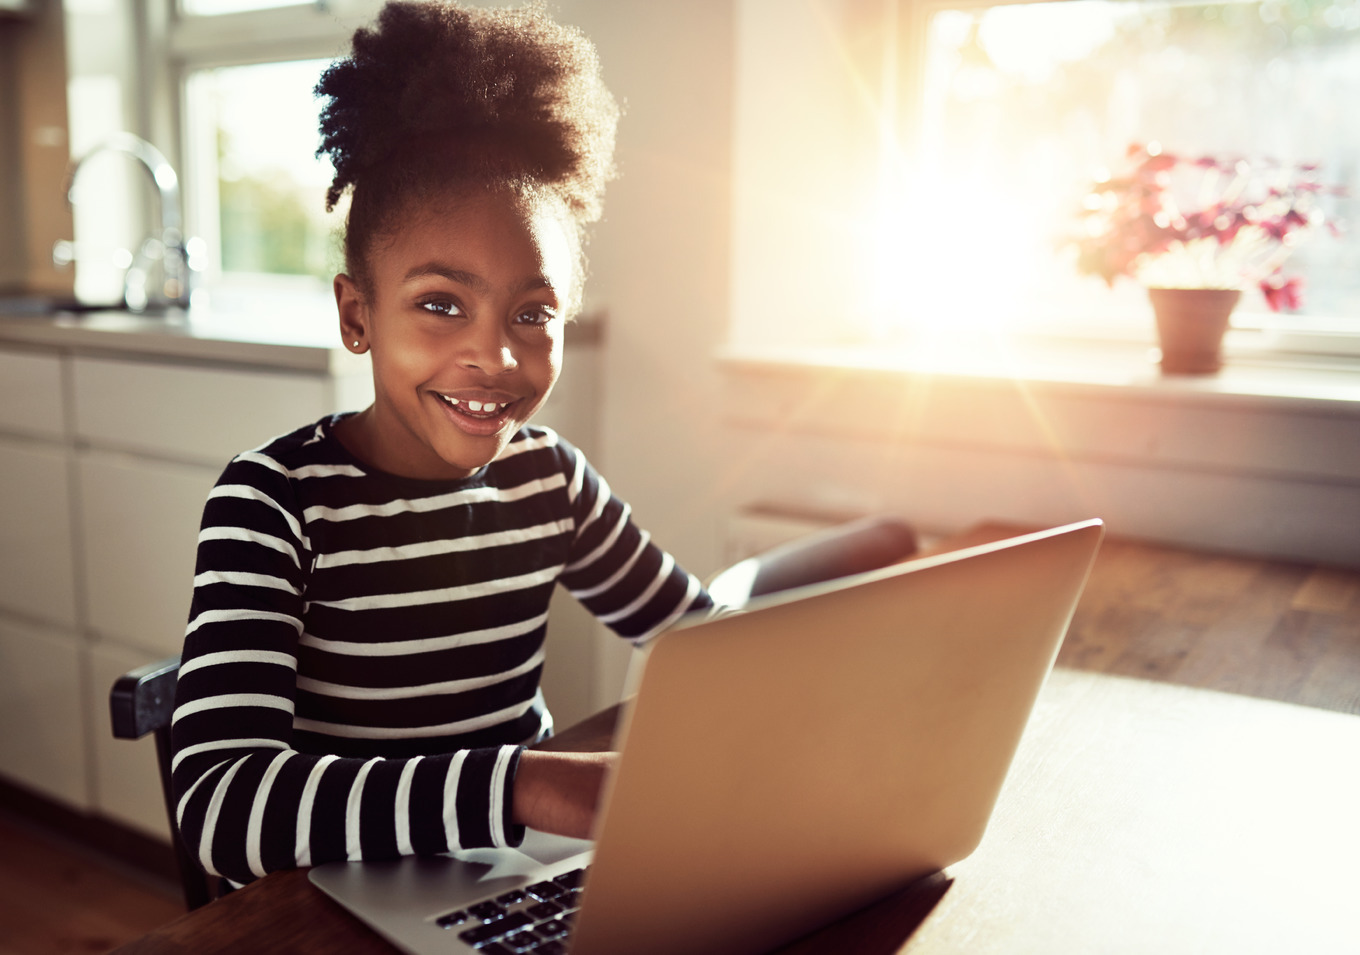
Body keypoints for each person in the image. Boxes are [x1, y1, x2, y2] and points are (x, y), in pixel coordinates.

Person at [169, 0, 719, 887]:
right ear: (358, 315)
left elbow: (704, 647)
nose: (494, 357)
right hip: (328, 905)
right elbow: (224, 811)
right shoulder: (272, 505)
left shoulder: (551, 482)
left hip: (506, 880)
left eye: (532, 315)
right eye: (439, 304)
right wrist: (523, 784)